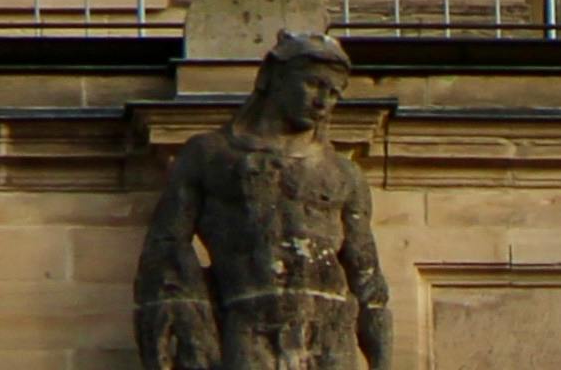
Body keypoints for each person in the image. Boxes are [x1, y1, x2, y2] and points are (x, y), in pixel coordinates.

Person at [134, 32, 388, 370]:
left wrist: (382, 361)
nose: (323, 102)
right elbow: (165, 246)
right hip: (249, 324)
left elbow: (367, 278)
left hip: (331, 333)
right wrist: (190, 326)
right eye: (313, 84)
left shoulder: (344, 174)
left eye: (333, 93)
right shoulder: (212, 156)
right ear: (272, 76)